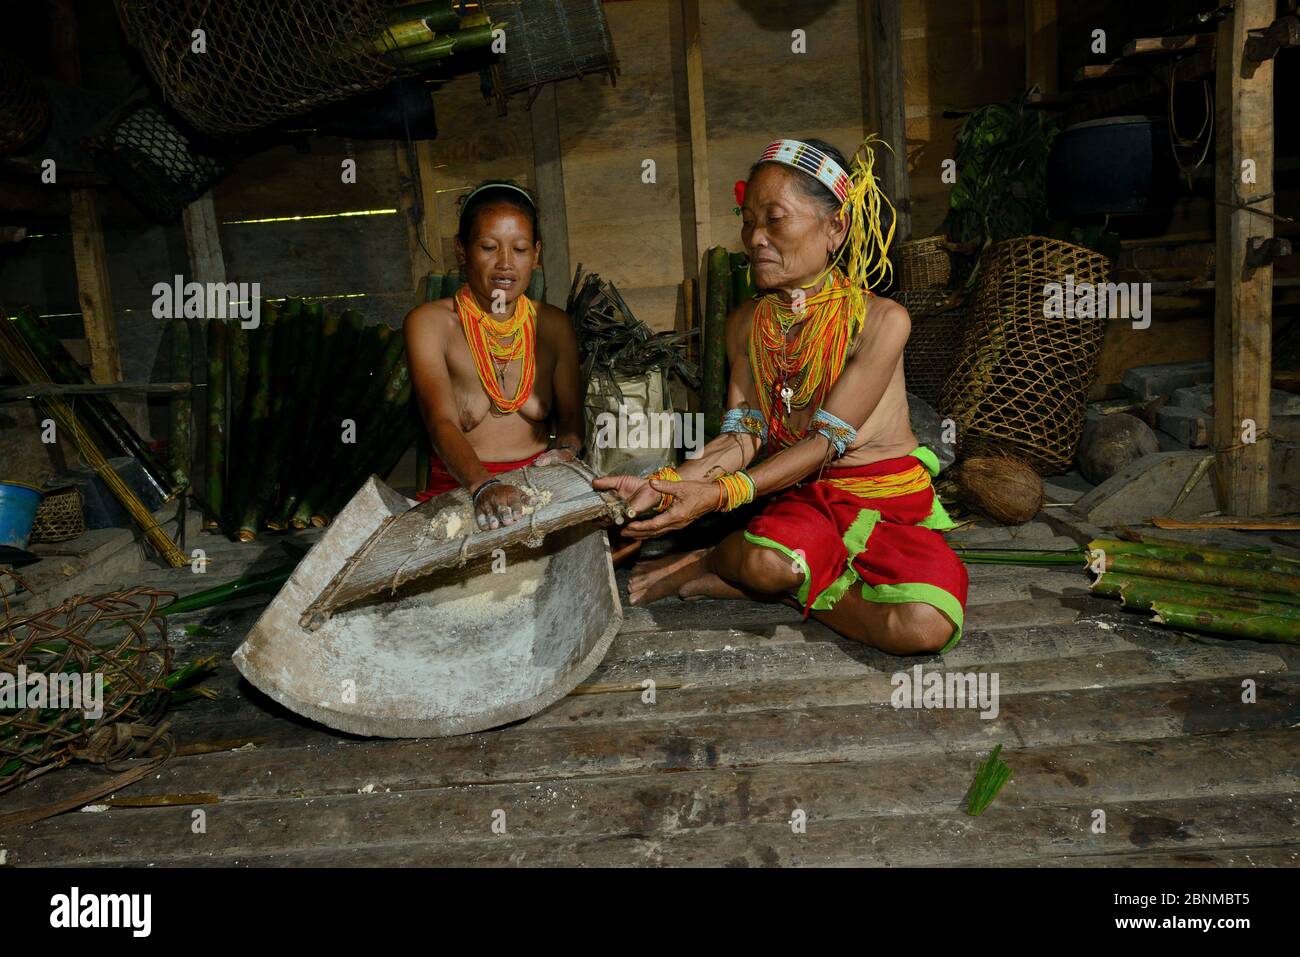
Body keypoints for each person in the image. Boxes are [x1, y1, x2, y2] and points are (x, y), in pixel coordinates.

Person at [594, 137, 968, 656]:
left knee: (924, 629)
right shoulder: (746, 323)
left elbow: (824, 443)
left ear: (835, 227)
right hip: (803, 497)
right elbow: (742, 437)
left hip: (886, 501)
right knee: (770, 563)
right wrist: (660, 486)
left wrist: (718, 496)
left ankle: (731, 572)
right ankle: (737, 568)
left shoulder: (881, 321)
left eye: (775, 219)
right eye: (748, 220)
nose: (755, 238)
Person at [404, 181, 584, 530]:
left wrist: (567, 452)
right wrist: (482, 484)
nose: (505, 264)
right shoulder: (430, 324)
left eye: (518, 249)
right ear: (461, 249)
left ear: (536, 253)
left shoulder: (554, 325)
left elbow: (572, 418)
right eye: (488, 247)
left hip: (539, 490)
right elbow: (439, 421)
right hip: (461, 491)